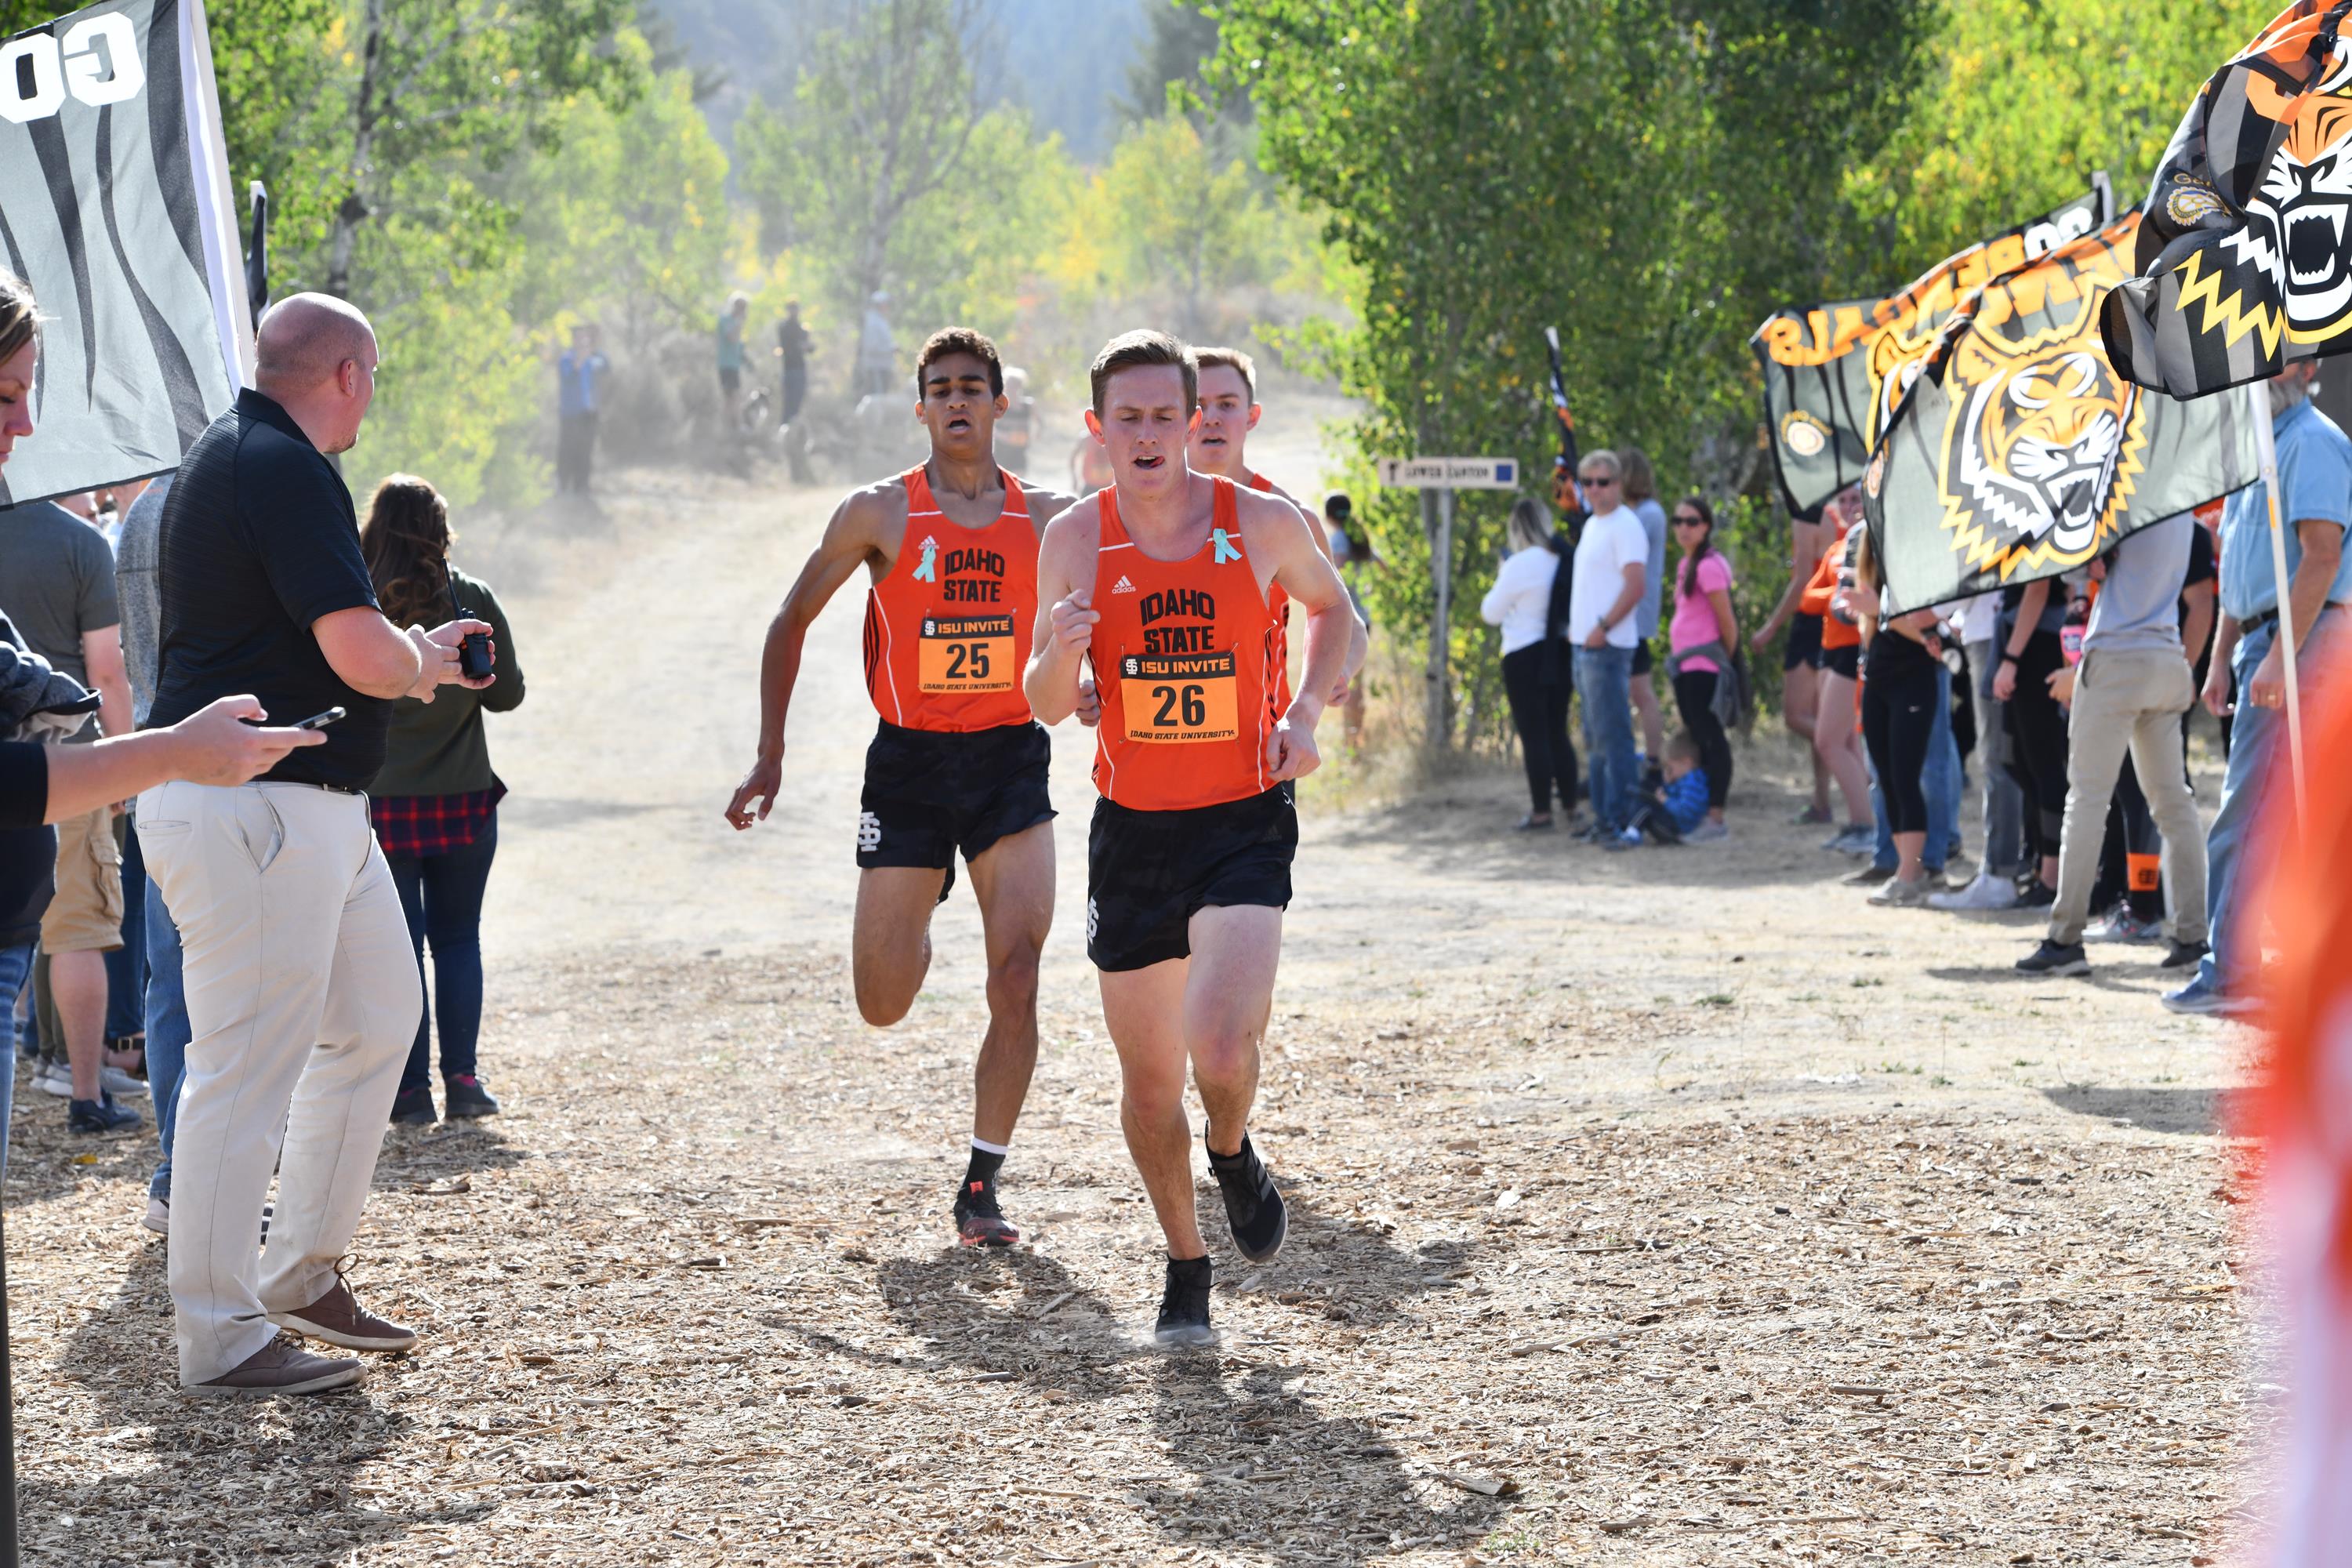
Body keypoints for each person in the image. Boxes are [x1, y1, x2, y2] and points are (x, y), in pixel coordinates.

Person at [140, 292, 495, 1397]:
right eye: (374, 375)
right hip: (263, 810)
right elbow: (355, 651)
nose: (373, 396)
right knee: (242, 1075)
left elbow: (339, 640)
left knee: (381, 1017)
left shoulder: (243, 455)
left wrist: (409, 654)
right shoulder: (282, 465)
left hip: (309, 809)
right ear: (344, 374)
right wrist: (419, 662)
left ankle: (298, 1273)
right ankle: (219, 1333)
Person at [1024, 329, 1353, 1347]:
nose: (1153, 433)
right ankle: (1184, 1260)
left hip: (1243, 816)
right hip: (1132, 832)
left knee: (1220, 1041)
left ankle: (1236, 1148)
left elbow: (1338, 613)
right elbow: (1039, 700)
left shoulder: (1258, 523)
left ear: (1197, 421)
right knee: (1149, 1081)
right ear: (1099, 429)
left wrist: (1303, 715)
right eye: (1130, 417)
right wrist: (1062, 660)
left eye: (1170, 414)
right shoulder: (1075, 540)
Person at [725, 327, 1083, 1249]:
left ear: (1002, 404)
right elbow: (789, 619)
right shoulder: (879, 513)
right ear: (920, 407)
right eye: (941, 388)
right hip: (912, 765)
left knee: (1019, 970)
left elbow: (1112, 618)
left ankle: (981, 1183)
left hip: (1009, 757)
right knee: (881, 1001)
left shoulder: (1049, 517)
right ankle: (919, 917)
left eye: (974, 386)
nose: (957, 400)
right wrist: (771, 753)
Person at [2169, 363, 2352, 1016]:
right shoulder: (2263, 446)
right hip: (2269, 644)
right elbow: (2241, 571)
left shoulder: (2310, 442)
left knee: (2246, 819)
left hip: (2302, 644)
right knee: (2263, 818)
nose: (2254, 377)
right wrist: (2221, 659)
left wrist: (2278, 655)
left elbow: (2322, 556)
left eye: (2271, 362)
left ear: (2305, 370)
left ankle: (2236, 973)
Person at [361, 475, 528, 1123]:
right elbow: (506, 693)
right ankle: (462, 1079)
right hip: (461, 801)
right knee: (458, 940)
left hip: (382, 806)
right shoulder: (470, 598)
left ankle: (407, 1094)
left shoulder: (361, 604)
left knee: (400, 950)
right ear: (440, 530)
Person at [0, 478, 140, 1132]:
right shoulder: (80, 542)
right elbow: (106, 669)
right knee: (80, 929)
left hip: (12, 763)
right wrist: (128, 765)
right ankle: (85, 1092)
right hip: (66, 761)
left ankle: (44, 1057)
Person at [2015, 514, 2210, 977]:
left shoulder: (2123, 500)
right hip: (2165, 654)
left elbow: (2087, 566)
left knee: (2086, 800)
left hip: (2116, 654)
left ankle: (2065, 938)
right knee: (2173, 803)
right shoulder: (2185, 512)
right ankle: (2192, 934)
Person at [1185, 347, 1366, 730]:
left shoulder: (1289, 516)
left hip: (1265, 744)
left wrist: (1338, 672)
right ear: (1181, 416)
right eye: (1199, 405)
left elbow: (1348, 623)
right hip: (1162, 747)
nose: (1213, 418)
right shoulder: (1139, 512)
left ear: (1252, 416)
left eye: (1227, 404)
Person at [1847, 530, 1941, 905]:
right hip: (1878, 683)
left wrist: (1879, 610)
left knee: (1905, 777)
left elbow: (1934, 638)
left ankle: (1911, 871)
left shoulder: (1920, 570)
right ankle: (1907, 868)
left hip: (1913, 683)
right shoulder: (1870, 573)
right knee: (1886, 779)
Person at [1930, 590, 2031, 911]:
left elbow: (1974, 573)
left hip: (1992, 636)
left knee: (1998, 759)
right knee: (2003, 758)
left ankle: (1999, 874)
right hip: (1988, 631)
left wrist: (1935, 608)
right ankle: (2007, 869)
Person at [1569, 451, 1647, 847]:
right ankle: (1604, 819)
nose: (1596, 489)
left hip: (1607, 647)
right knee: (1595, 738)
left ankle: (1626, 823)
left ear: (1619, 484)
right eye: (1588, 482)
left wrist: (1602, 627)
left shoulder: (1625, 525)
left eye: (1604, 481)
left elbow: (1636, 585)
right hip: (1584, 647)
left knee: (1614, 738)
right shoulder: (1593, 525)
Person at [1483, 498, 1573, 830]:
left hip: (1523, 654)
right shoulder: (1561, 558)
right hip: (1559, 651)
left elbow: (1490, 612)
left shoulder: (1518, 565)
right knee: (1558, 732)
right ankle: (1570, 805)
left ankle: (1541, 812)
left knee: (1534, 736)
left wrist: (1502, 574)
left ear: (1517, 528)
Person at [1991, 574, 2071, 907]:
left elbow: (2038, 588)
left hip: (2038, 643)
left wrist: (2011, 660)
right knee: (2016, 761)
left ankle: (2053, 877)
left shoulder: (2044, 524)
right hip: (2020, 638)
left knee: (2045, 765)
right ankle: (2043, 864)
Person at [1803, 495, 1877, 852]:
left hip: (1852, 650)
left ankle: (1867, 824)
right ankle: (1861, 821)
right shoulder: (1837, 546)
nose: (1849, 506)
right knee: (1844, 742)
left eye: (1855, 499)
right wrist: (1836, 594)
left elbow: (1858, 599)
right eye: (1843, 501)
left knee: (1827, 741)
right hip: (1829, 650)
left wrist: (1840, 597)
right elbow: (1808, 597)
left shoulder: (1869, 542)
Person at [1752, 505, 1833, 824]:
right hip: (1831, 617)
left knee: (1797, 716)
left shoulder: (1807, 514)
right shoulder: (1832, 511)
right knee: (1814, 716)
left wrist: (1770, 627)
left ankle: (1855, 759)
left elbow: (1802, 581)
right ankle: (1822, 802)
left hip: (1812, 619)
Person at [1662, 495, 1736, 839]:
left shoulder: (1709, 565)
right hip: (1686, 667)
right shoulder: (1687, 564)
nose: (1684, 529)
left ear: (1706, 526)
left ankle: (1716, 818)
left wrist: (1724, 664)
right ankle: (1699, 811)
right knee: (1699, 739)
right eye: (1678, 522)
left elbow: (1727, 623)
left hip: (1705, 668)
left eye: (1692, 522)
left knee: (1712, 739)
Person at [1619, 448, 1670, 768]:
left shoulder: (1648, 514)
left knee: (1640, 694)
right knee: (1636, 692)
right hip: (1631, 616)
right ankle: (1640, 758)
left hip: (1633, 617)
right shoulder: (1640, 513)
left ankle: (1652, 759)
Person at [1323, 493, 1383, 751]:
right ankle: (1356, 737)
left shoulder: (1338, 540)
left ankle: (1351, 743)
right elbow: (1384, 567)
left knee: (1344, 681)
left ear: (1328, 516)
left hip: (1346, 620)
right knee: (1356, 679)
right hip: (1365, 618)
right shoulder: (1360, 537)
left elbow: (1334, 578)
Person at [1624, 732, 1711, 844]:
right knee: (1644, 788)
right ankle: (1630, 827)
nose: (1668, 772)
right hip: (1674, 821)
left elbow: (1685, 812)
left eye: (1670, 768)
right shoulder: (1685, 779)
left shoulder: (1692, 784)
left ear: (1686, 762)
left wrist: (1666, 800)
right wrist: (1667, 784)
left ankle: (1631, 834)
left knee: (1645, 808)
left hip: (1676, 828)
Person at [555, 325, 609, 495]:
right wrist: (582, 358)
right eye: (579, 338)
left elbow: (606, 366)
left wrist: (595, 348)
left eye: (585, 338)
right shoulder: (566, 359)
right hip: (571, 414)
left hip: (589, 412)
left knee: (586, 450)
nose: (582, 341)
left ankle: (582, 486)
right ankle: (563, 485)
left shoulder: (593, 360)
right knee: (567, 450)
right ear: (573, 340)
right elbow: (569, 375)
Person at [717, 292, 750, 427]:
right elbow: (732, 338)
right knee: (731, 397)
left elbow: (739, 347)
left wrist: (748, 362)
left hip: (734, 366)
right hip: (726, 365)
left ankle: (732, 427)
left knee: (734, 397)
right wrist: (739, 323)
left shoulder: (737, 324)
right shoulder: (726, 320)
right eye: (740, 306)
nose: (742, 310)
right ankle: (731, 427)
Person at [777, 301, 812, 425]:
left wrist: (808, 346)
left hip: (800, 369)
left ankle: (794, 431)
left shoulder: (802, 328)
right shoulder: (784, 327)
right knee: (788, 403)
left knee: (797, 403)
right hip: (789, 369)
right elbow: (788, 346)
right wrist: (800, 345)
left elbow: (809, 348)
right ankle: (785, 430)